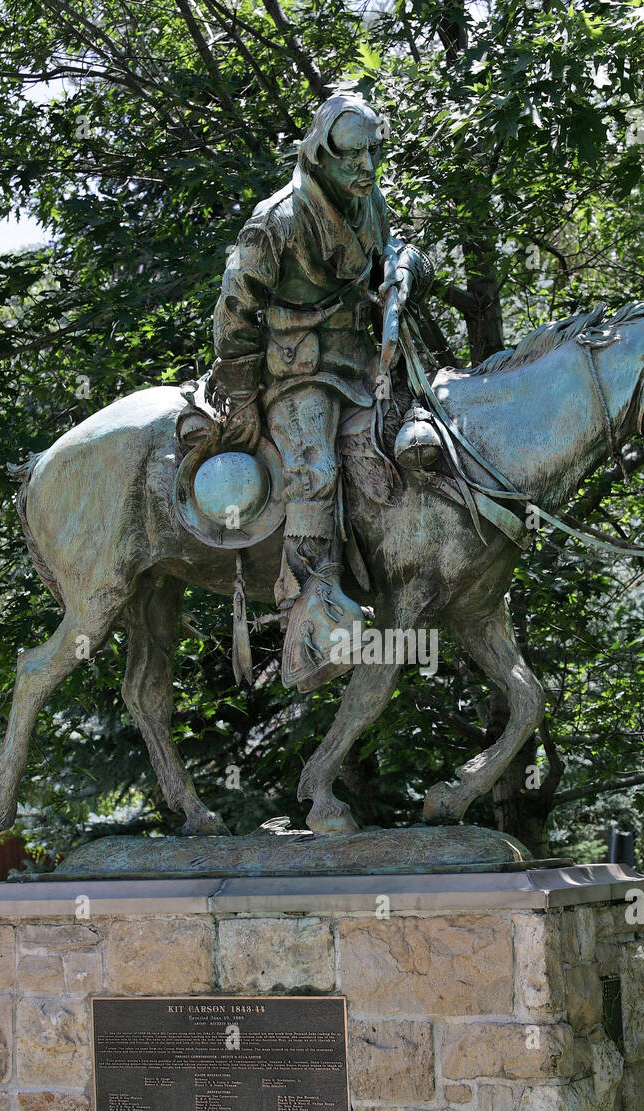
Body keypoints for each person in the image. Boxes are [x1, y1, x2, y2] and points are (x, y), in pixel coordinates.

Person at [206, 93, 434, 691]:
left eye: (373, 153)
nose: (366, 167)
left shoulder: (369, 202)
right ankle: (310, 624)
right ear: (320, 154)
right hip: (296, 369)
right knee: (316, 469)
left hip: (361, 360)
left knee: (425, 433)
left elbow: (394, 255)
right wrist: (243, 396)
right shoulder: (275, 221)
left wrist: (404, 272)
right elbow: (233, 312)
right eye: (352, 155)